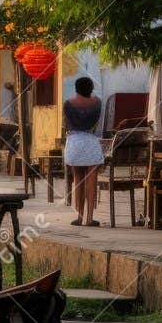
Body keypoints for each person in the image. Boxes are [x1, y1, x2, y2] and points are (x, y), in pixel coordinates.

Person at [62, 75, 105, 225]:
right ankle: (89, 218)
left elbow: (66, 125)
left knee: (78, 180)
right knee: (91, 181)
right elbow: (98, 125)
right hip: (91, 142)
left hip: (74, 142)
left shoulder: (67, 104)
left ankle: (79, 217)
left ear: (76, 89)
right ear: (91, 89)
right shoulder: (97, 103)